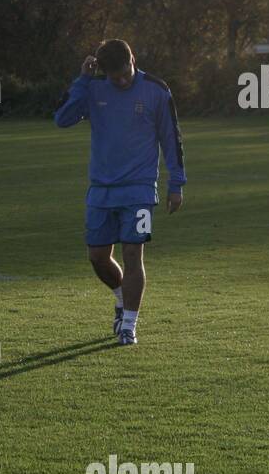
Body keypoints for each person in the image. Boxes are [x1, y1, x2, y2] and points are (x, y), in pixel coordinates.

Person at [54, 39, 185, 346]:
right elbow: (61, 119)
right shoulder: (94, 88)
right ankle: (120, 296)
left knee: (132, 253)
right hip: (101, 190)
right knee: (98, 257)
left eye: (125, 73)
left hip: (140, 190)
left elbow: (171, 139)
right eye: (115, 77)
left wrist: (176, 184)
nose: (122, 80)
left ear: (132, 60)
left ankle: (128, 324)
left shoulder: (156, 90)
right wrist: (83, 80)